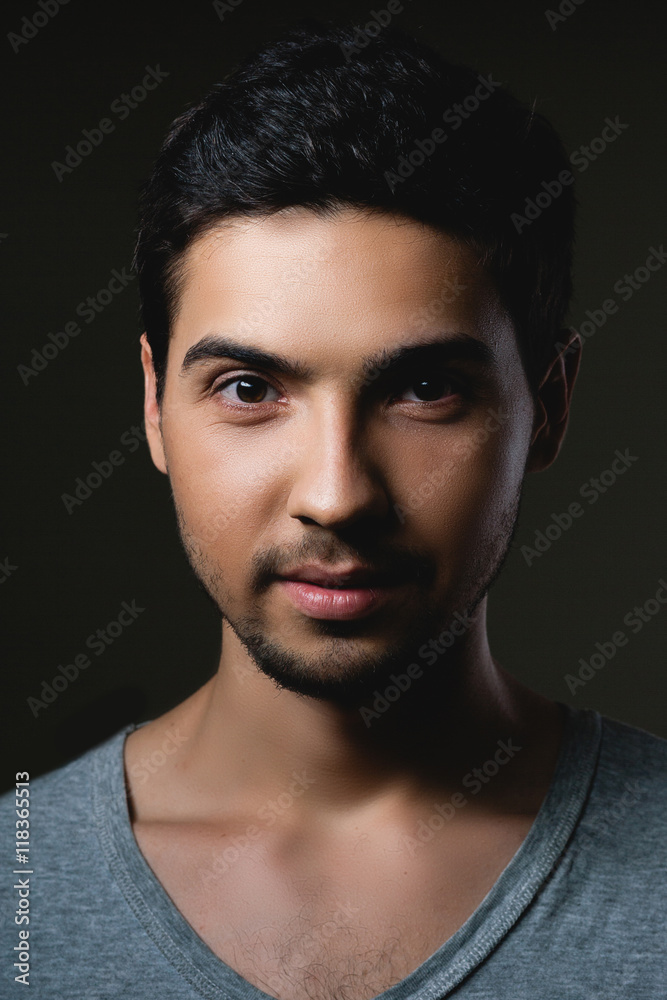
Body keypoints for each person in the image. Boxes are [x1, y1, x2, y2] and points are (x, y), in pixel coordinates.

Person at [3, 18, 665, 999]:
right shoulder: (19, 893)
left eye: (425, 391)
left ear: (550, 406)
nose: (336, 494)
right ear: (152, 406)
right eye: (247, 389)